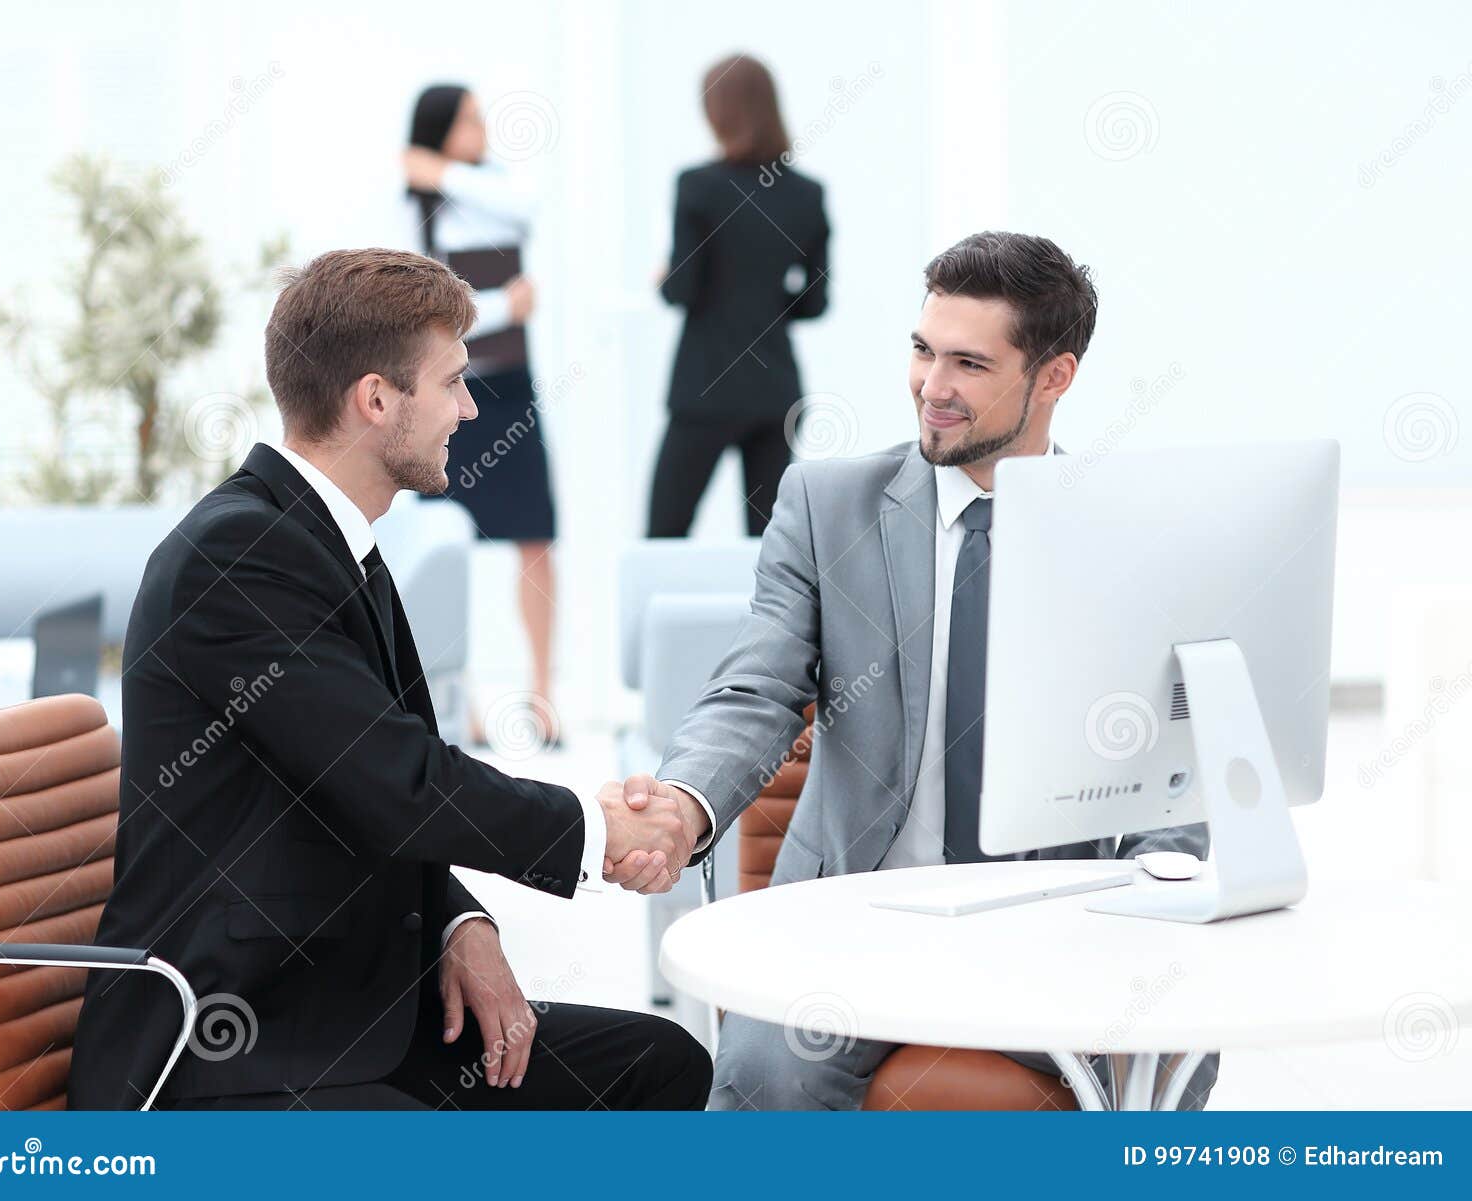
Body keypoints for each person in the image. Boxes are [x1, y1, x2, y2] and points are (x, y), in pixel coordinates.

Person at [68, 249, 711, 1111]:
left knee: (657, 1062)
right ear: (376, 399)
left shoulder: (322, 540)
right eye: (452, 383)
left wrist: (459, 921)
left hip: (350, 1010)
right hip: (234, 1050)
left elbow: (346, 785)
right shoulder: (239, 559)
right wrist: (600, 830)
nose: (470, 407)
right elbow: (397, 783)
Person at [605, 232, 1218, 1110]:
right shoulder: (827, 505)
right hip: (857, 922)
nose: (932, 388)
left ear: (1055, 377)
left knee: (1171, 1062)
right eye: (923, 350)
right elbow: (757, 688)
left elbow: (1180, 765)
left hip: (1060, 932)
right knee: (766, 1075)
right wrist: (683, 802)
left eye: (970, 362)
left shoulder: (1130, 534)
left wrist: (1165, 885)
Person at [400, 84, 561, 745]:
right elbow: (421, 308)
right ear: (440, 125)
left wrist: (439, 169)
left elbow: (526, 205)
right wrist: (500, 307)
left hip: (511, 389)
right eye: (468, 119)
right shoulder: (410, 207)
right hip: (447, 392)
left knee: (536, 536)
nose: (482, 128)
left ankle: (544, 697)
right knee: (447, 542)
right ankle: (455, 701)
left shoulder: (484, 188)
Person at [647, 53, 831, 538]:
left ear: (718, 112)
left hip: (705, 387)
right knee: (769, 549)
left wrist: (664, 279)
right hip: (775, 391)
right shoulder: (807, 194)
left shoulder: (699, 187)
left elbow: (682, 290)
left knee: (665, 534)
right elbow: (815, 302)